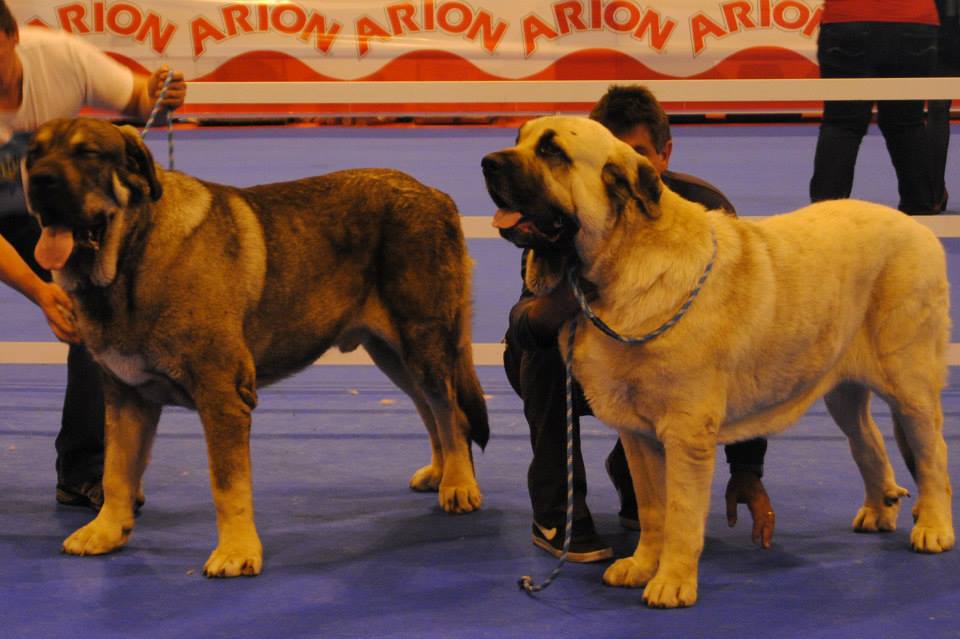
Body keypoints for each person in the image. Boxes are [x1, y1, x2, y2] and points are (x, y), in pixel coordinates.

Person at [503, 85, 775, 563]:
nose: (617, 168)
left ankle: (632, 478)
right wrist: (567, 302)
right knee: (547, 350)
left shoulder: (706, 209)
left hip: (658, 376)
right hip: (577, 369)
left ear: (664, 155)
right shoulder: (559, 208)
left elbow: (743, 344)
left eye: (635, 153)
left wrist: (746, 470)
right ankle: (557, 511)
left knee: (687, 363)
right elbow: (523, 328)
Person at [0, 0, 186, 510]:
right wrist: (41, 291)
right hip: (11, 216)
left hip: (60, 212)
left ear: (12, 36)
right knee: (64, 302)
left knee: (93, 319)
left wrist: (162, 92)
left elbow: (137, 99)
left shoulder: (61, 57)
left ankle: (85, 473)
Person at [810, 0, 940, 215]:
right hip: (915, 20)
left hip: (848, 17)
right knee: (907, 124)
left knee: (842, 125)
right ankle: (922, 210)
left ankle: (825, 214)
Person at [926, 0, 960, 212]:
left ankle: (934, 193)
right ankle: (934, 191)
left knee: (937, 110)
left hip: (941, 28)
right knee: (937, 111)